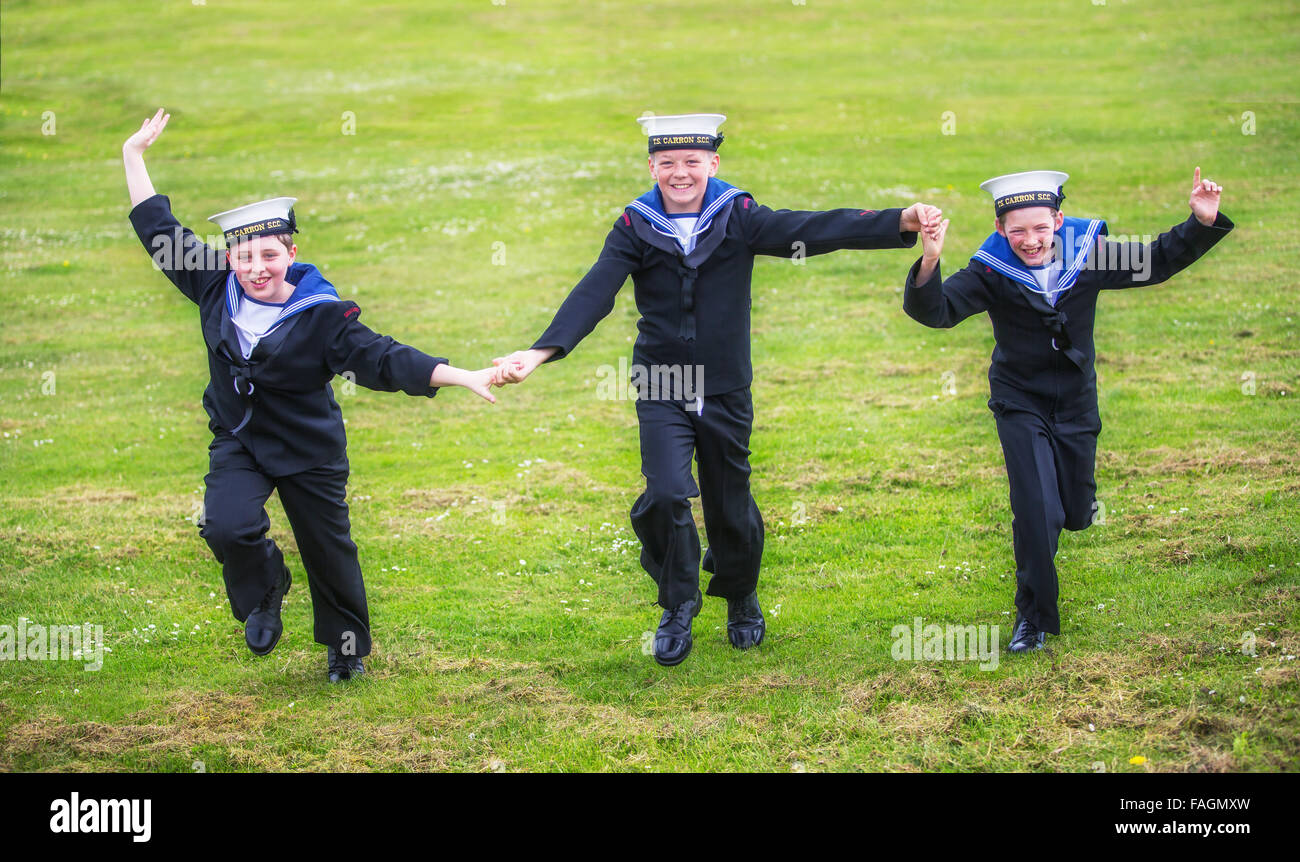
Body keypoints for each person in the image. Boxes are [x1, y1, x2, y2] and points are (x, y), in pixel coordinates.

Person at [494, 113, 940, 666]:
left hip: (726, 385)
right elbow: (596, 291)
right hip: (662, 381)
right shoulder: (634, 225)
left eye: (692, 162)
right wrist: (539, 353)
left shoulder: (738, 215)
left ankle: (739, 593)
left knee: (731, 507)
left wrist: (898, 221)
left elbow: (809, 229)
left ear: (713, 163)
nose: (680, 173)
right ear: (651, 166)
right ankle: (678, 602)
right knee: (663, 495)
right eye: (667, 163)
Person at [122, 109, 500, 681]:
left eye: (270, 255)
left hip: (309, 448)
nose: (257, 268)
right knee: (226, 526)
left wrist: (460, 374)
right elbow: (159, 232)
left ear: (291, 256)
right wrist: (134, 156)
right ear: (230, 258)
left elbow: (383, 358)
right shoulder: (212, 284)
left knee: (329, 549)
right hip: (239, 438)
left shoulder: (323, 315)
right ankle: (265, 589)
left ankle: (345, 649)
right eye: (245, 257)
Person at [903, 168, 1232, 652]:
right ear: (1000, 230)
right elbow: (938, 311)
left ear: (1058, 220)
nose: (1030, 240)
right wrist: (930, 259)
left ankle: (1064, 522)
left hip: (1077, 402)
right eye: (1017, 230)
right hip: (1019, 401)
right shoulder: (991, 270)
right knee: (1038, 509)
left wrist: (1199, 221)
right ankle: (1032, 618)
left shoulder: (1088, 254)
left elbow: (1156, 260)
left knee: (1074, 510)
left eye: (1040, 227)